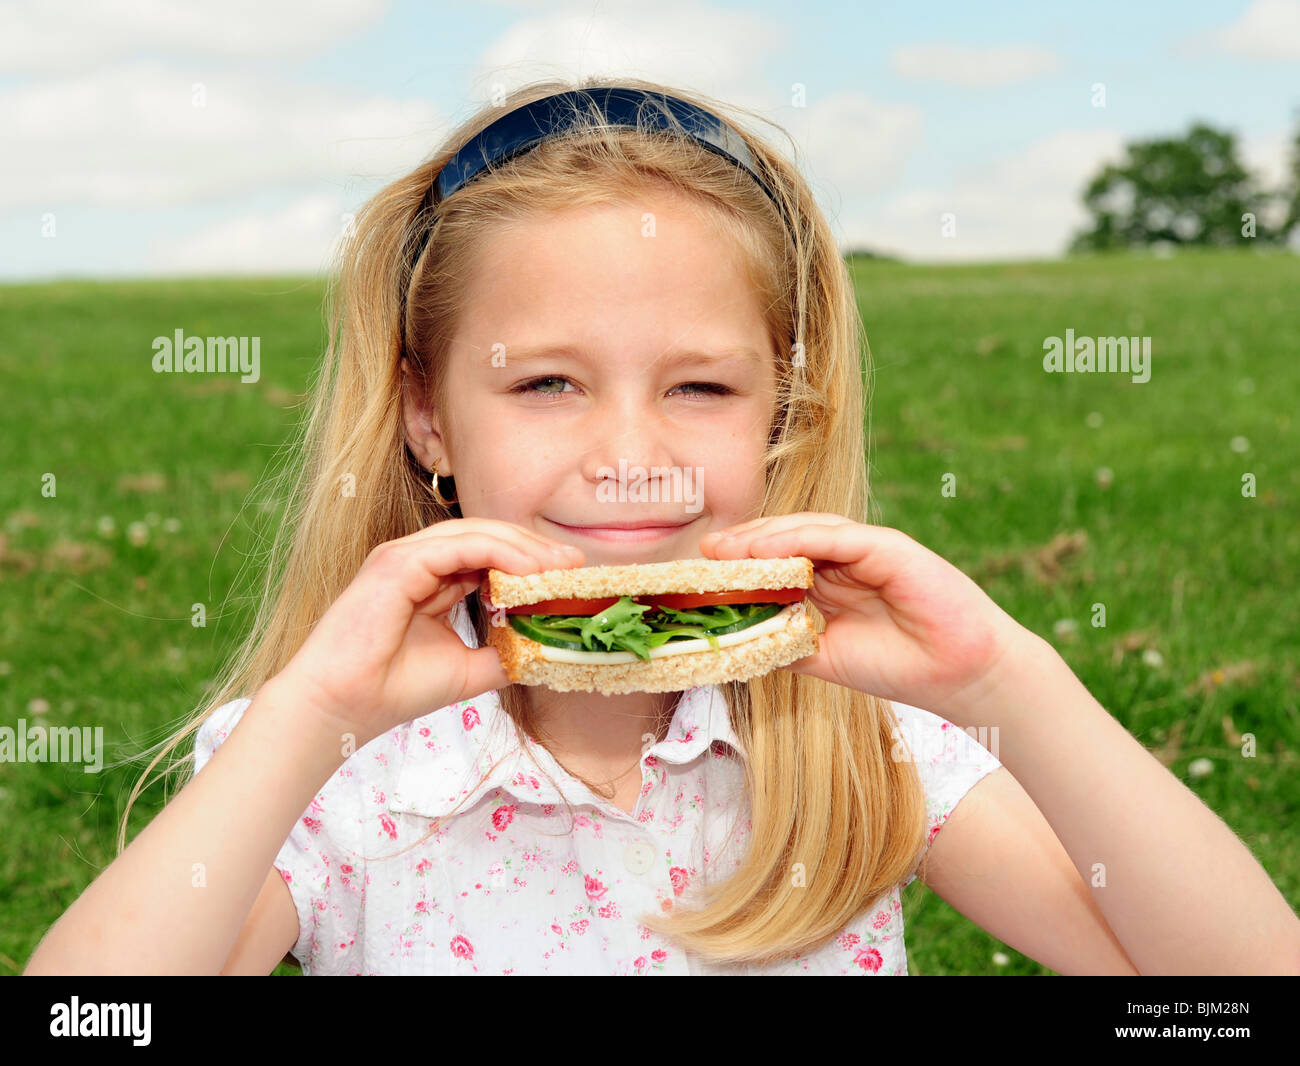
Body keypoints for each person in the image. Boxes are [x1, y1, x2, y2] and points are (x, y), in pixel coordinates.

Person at [25, 77, 1300, 977]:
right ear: (427, 421)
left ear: (781, 412)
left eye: (698, 386)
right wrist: (309, 720)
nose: (630, 458)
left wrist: (1008, 684)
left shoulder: (863, 742)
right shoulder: (335, 765)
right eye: (545, 385)